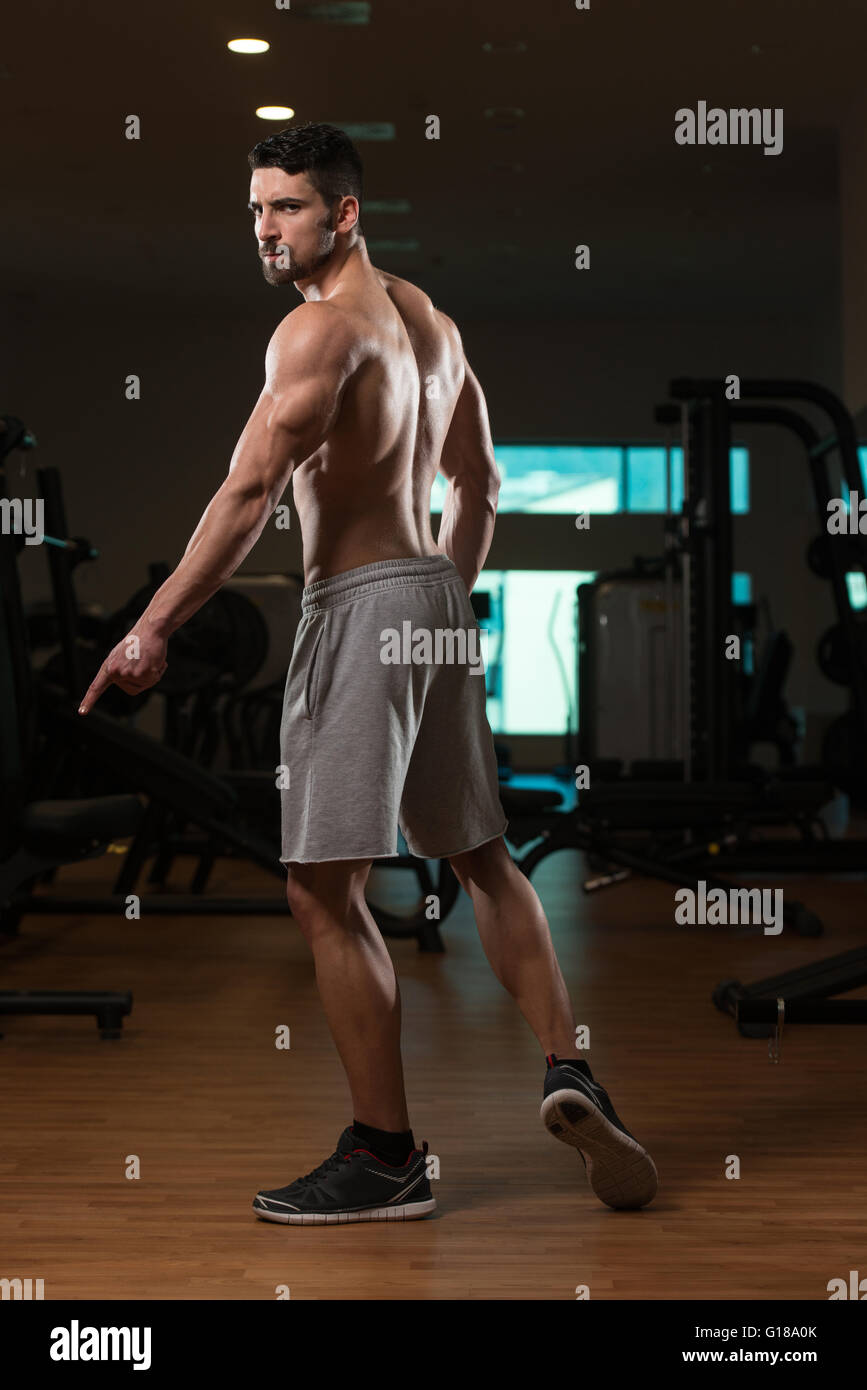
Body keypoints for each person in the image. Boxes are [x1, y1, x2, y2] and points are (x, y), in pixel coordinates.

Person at [79, 122, 658, 1225]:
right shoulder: (430, 323)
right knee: (482, 855)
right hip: (435, 599)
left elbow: (249, 494)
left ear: (344, 213)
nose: (265, 228)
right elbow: (480, 481)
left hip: (357, 603)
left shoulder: (316, 333)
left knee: (321, 887)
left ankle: (385, 1154)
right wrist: (442, 598)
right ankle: (567, 1064)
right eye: (254, 209)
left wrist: (151, 628)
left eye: (287, 207)